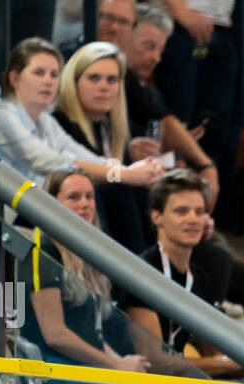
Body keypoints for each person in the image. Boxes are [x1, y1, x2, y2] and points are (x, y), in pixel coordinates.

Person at [19, 168, 205, 384]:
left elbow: (91, 333)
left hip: (91, 367)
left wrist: (123, 361)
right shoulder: (42, 249)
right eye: (73, 196)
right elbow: (55, 334)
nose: (84, 203)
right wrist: (114, 365)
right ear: (52, 202)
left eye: (89, 196)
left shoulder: (91, 251)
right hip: (54, 370)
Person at [0, 38, 165, 205]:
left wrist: (132, 170)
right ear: (15, 78)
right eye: (39, 73)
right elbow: (53, 163)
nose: (48, 81)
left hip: (30, 215)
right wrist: (126, 175)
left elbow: (86, 157)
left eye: (54, 74)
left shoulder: (45, 120)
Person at [120, 169, 244, 377]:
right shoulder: (142, 271)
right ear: (156, 216)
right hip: (139, 382)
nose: (193, 219)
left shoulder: (198, 277)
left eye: (199, 212)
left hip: (182, 383)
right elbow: (153, 361)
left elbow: (214, 348)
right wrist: (223, 363)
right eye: (181, 211)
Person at [53, 41, 158, 251]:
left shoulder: (111, 129)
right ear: (73, 82)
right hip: (75, 228)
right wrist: (128, 174)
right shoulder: (60, 123)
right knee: (120, 190)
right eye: (94, 78)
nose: (104, 86)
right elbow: (77, 170)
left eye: (112, 80)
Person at [125, 4, 220, 208]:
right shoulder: (115, 84)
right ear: (126, 36)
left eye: (160, 50)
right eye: (149, 46)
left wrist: (178, 153)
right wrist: (205, 165)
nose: (156, 58)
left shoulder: (151, 92)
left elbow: (164, 157)